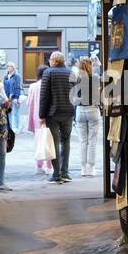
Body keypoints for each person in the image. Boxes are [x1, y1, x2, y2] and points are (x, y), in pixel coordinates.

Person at [39, 51, 76, 184]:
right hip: (68, 112)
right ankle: (65, 173)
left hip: (53, 113)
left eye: (50, 60)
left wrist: (41, 115)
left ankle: (57, 174)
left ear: (53, 61)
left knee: (54, 143)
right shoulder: (71, 72)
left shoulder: (48, 72)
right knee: (66, 142)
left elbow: (44, 96)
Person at [73, 56, 103, 178]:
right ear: (90, 66)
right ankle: (91, 167)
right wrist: (98, 65)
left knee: (82, 141)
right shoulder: (94, 78)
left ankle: (83, 168)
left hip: (80, 110)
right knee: (92, 141)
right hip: (92, 109)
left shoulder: (76, 79)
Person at [27, 65, 50, 174]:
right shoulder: (49, 85)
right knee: (48, 140)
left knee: (38, 140)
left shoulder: (33, 86)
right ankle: (48, 165)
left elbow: (28, 103)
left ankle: (39, 164)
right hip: (47, 116)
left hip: (36, 116)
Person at [4, 64, 23, 131]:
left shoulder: (17, 76)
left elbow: (18, 87)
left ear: (13, 68)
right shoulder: (6, 77)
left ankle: (17, 128)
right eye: (8, 66)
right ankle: (10, 127)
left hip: (14, 97)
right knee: (8, 112)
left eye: (10, 66)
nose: (9, 67)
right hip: (7, 97)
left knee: (15, 113)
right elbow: (4, 88)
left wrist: (16, 98)